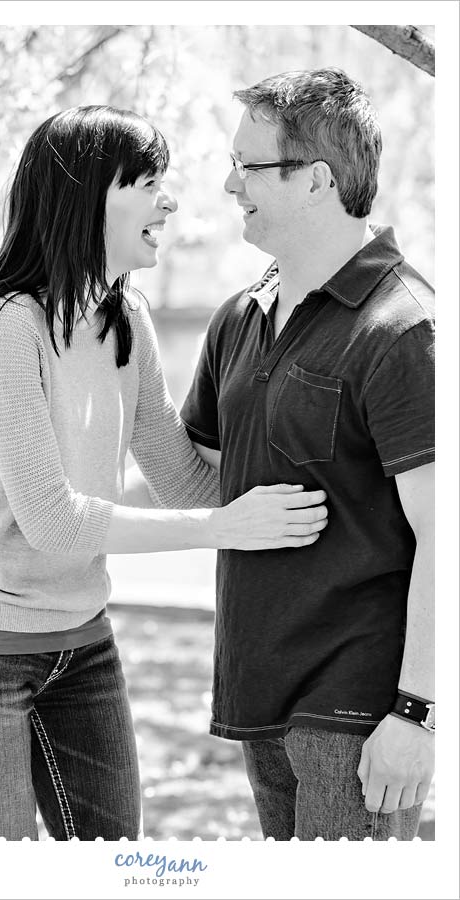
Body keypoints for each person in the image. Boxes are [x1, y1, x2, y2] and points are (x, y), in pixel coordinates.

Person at [0, 105, 328, 841]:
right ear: (85, 195)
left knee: (113, 866)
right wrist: (226, 527)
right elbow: (53, 521)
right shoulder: (2, 324)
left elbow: (181, 477)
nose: (169, 201)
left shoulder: (123, 315)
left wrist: (309, 468)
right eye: (148, 182)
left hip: (82, 645)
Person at [181, 69, 435, 841]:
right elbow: (190, 476)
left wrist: (418, 713)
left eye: (248, 166)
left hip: (358, 715)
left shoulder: (405, 329)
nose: (230, 184)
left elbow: (445, 534)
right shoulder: (242, 314)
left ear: (318, 179)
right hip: (259, 698)